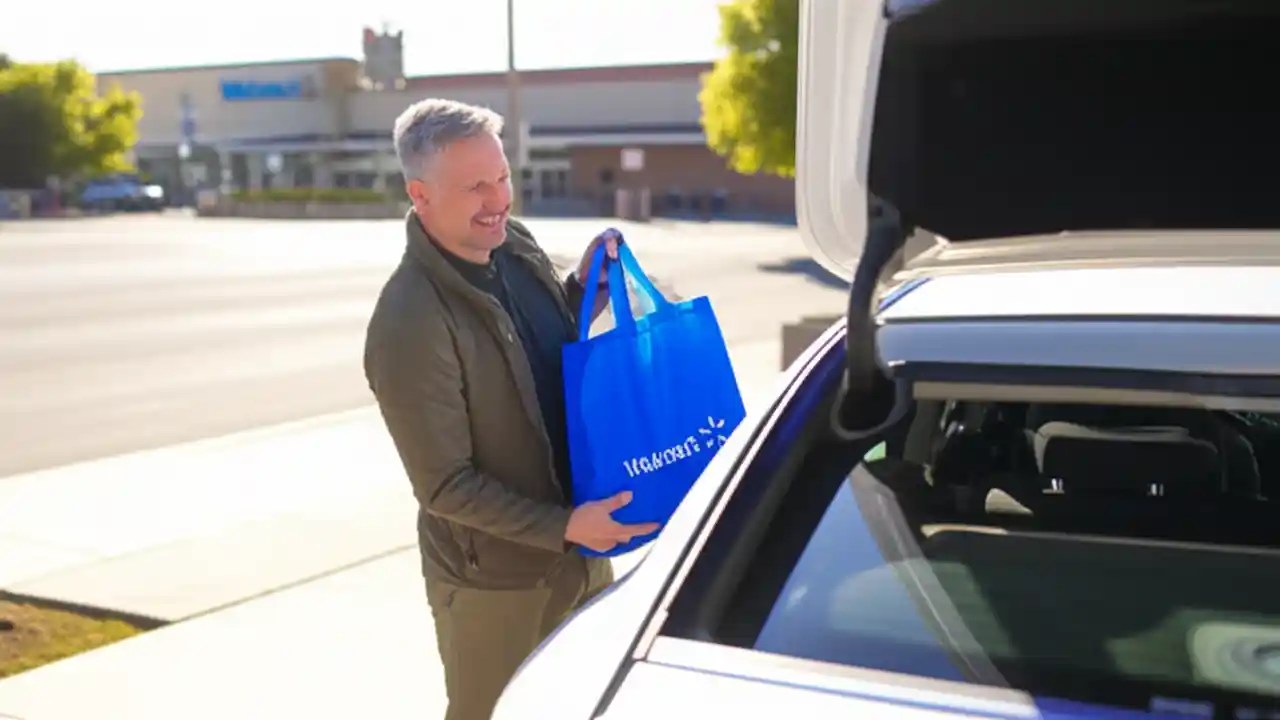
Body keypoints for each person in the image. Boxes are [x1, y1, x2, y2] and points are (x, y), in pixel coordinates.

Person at [363, 98, 660, 720]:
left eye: (501, 177)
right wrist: (565, 527)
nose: (498, 199)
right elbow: (445, 484)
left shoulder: (513, 244)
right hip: (495, 584)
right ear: (420, 195)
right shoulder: (409, 319)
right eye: (475, 186)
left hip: (579, 549)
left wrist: (583, 293)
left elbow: (545, 355)